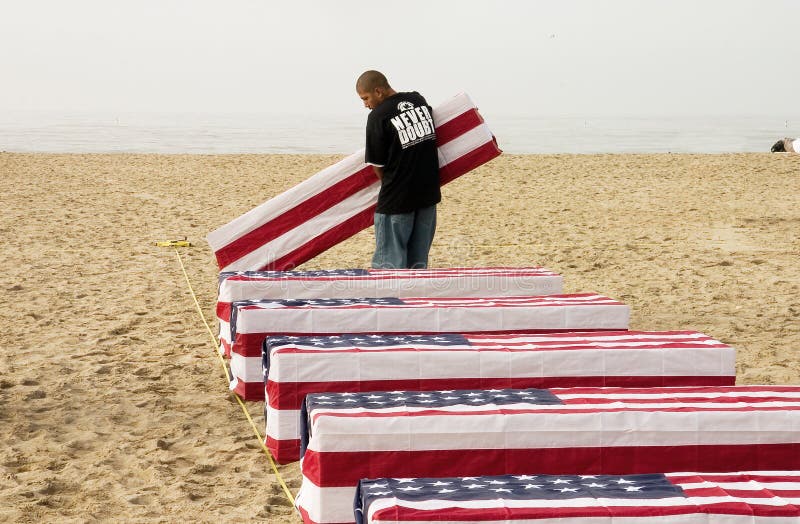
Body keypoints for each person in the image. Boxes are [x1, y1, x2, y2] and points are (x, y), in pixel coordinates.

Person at [356, 70, 441, 269]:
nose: (365, 105)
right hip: (428, 196)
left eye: (366, 98)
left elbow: (377, 165)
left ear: (378, 91)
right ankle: (414, 299)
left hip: (397, 200)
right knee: (417, 265)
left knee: (389, 267)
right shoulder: (418, 101)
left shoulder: (378, 117)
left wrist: (393, 184)